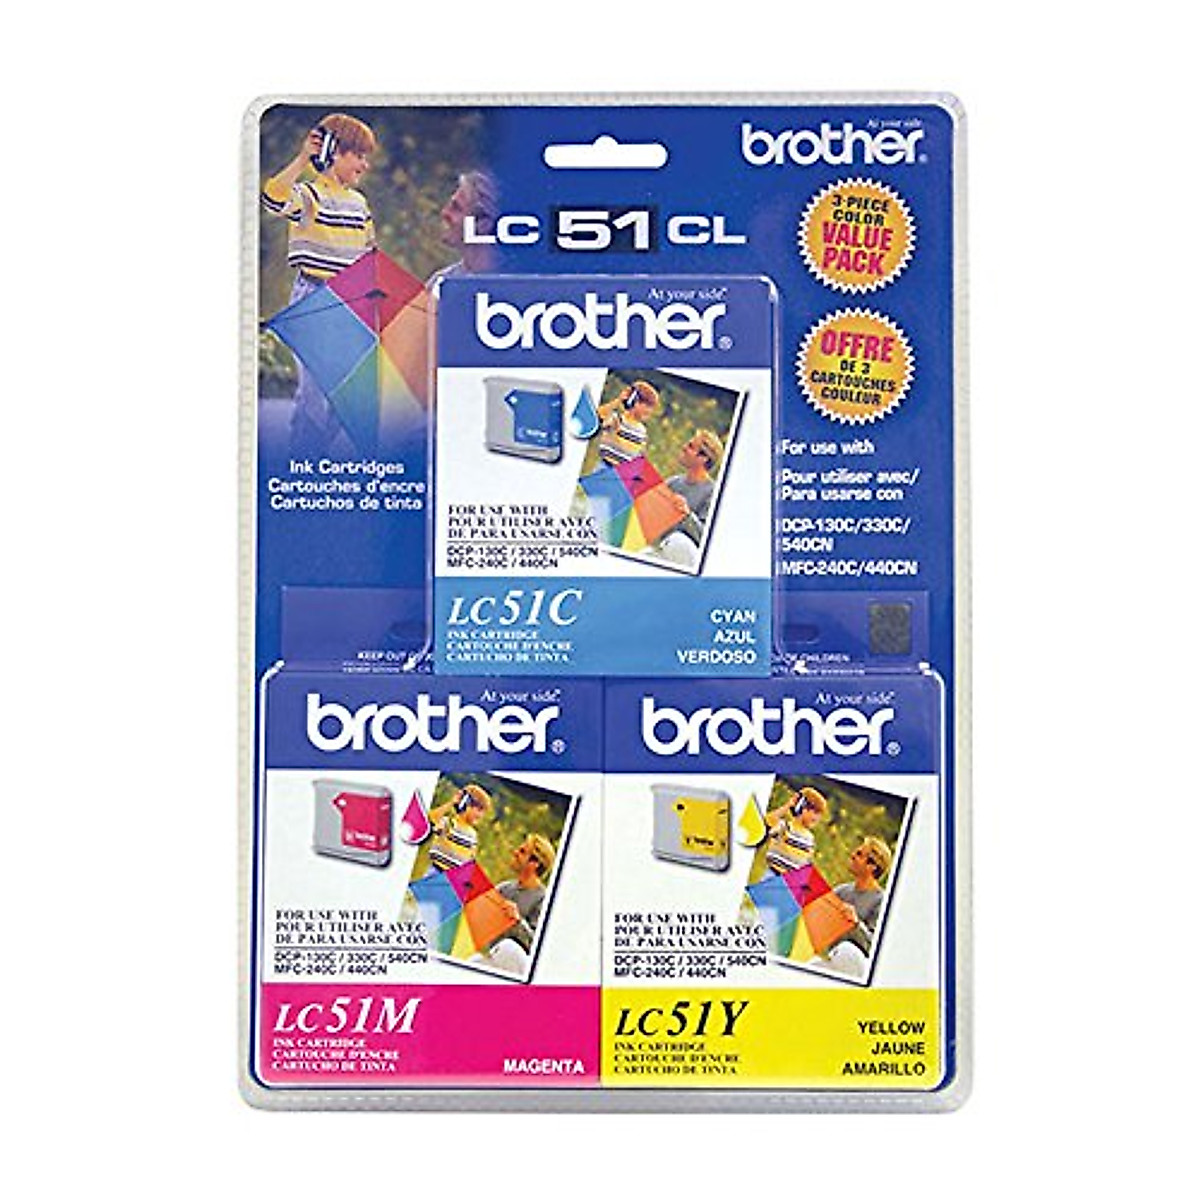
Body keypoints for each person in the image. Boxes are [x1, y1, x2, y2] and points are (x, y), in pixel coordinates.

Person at [260, 113, 377, 454]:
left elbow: (368, 255)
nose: (365, 165)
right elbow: (273, 199)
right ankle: (303, 460)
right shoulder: (309, 195)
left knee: (348, 396)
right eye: (359, 155)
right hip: (312, 298)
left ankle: (311, 452)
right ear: (334, 151)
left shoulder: (360, 203)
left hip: (350, 303)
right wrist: (301, 160)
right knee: (314, 396)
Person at [473, 834, 557, 977]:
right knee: (471, 962)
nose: (515, 853)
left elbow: (537, 946)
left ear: (534, 863)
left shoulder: (543, 899)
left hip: (520, 968)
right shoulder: (504, 889)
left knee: (508, 947)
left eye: (522, 852)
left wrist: (517, 921)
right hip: (496, 958)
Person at [656, 428, 724, 568]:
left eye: (691, 446)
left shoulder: (712, 493)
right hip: (666, 551)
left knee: (677, 539)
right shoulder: (673, 483)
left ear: (703, 458)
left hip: (689, 560)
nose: (684, 447)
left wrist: (687, 515)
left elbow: (707, 538)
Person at [426, 170, 501, 294]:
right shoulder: (440, 284)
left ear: (484, 224)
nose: (445, 213)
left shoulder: (521, 283)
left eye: (456, 208)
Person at [826, 836, 894, 969]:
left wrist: (856, 923)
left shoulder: (881, 901)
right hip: (833, 959)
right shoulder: (841, 891)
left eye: (859, 854)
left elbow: (874, 947)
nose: (852, 855)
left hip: (858, 968)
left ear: (872, 866)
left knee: (846, 949)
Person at [423, 783, 492, 875]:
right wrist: (451, 803)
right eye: (479, 810)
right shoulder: (450, 823)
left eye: (483, 811)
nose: (481, 815)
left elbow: (470, 860)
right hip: (436, 873)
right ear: (466, 804)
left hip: (454, 879)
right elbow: (431, 818)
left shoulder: (473, 834)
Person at [763, 786, 829, 875]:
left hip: (790, 880)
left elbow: (806, 863)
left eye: (819, 815)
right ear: (802, 807)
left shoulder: (810, 838)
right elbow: (768, 821)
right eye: (815, 812)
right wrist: (788, 805)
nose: (817, 818)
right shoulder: (786, 827)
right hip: (773, 874)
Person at [597, 380, 660, 467]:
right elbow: (598, 415)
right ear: (634, 400)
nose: (650, 411)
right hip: (606, 466)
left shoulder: (642, 430)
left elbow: (639, 454)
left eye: (651, 407)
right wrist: (618, 401)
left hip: (624, 472)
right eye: (647, 406)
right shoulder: (617, 419)